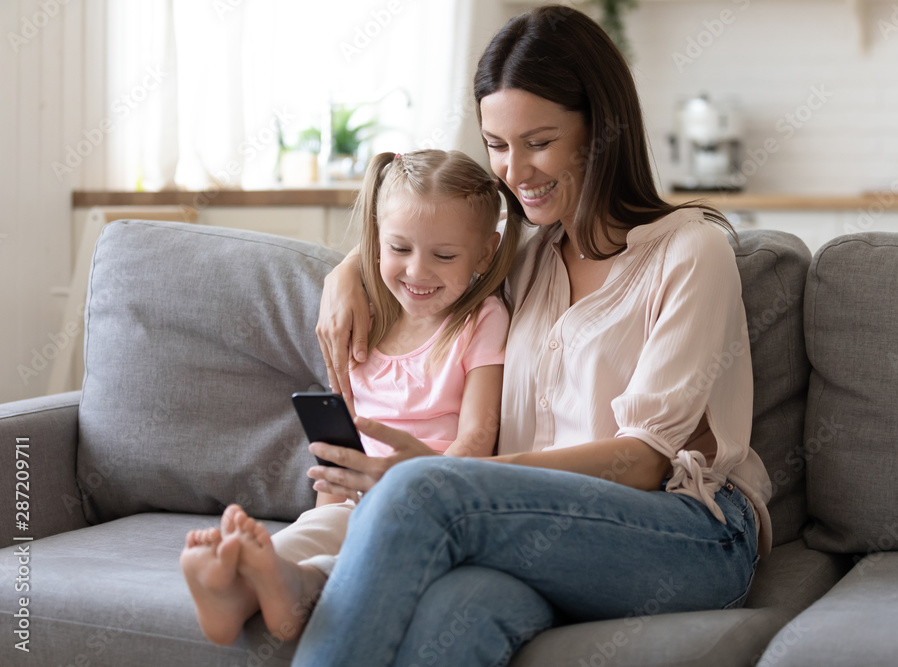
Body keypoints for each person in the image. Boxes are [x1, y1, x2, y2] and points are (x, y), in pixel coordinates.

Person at [291, 5, 775, 667]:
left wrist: (465, 480)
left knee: (419, 489)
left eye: (538, 141)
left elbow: (642, 460)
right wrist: (348, 269)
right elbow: (431, 249)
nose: (513, 171)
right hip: (543, 534)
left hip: (686, 532)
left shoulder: (690, 251)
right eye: (496, 144)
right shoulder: (526, 262)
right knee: (455, 613)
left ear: (599, 131)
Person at [179, 149, 521, 645]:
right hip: (349, 502)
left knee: (364, 549)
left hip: (424, 507)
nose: (417, 272)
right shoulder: (366, 321)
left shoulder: (482, 321)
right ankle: (237, 587)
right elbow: (340, 450)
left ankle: (284, 588)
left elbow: (477, 438)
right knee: (310, 533)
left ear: (485, 253)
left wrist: (411, 480)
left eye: (444, 256)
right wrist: (323, 508)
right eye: (399, 248)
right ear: (377, 242)